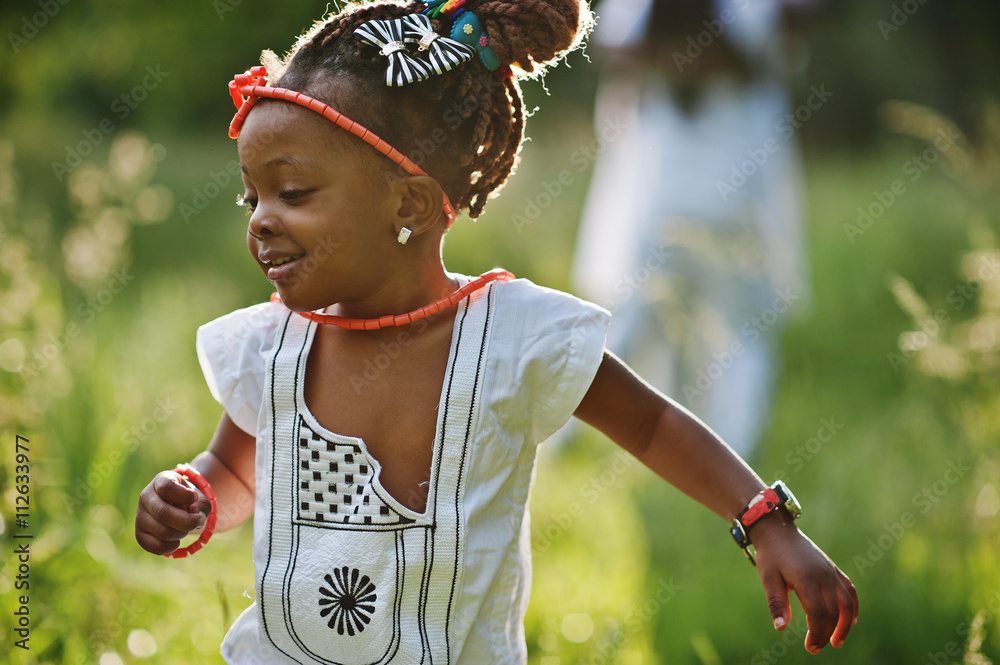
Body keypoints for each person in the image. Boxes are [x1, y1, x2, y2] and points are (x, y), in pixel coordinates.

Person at [134, 1, 857, 662]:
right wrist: (191, 492)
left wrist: (767, 521)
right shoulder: (272, 348)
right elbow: (235, 471)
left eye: (293, 192)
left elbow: (654, 423)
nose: (260, 218)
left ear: (409, 201)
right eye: (251, 192)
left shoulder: (514, 337)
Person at [572, 0, 816, 457]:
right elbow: (610, 39)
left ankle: (730, 460)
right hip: (671, 167)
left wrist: (677, 50)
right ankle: (580, 437)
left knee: (727, 320)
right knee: (645, 311)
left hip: (731, 161)